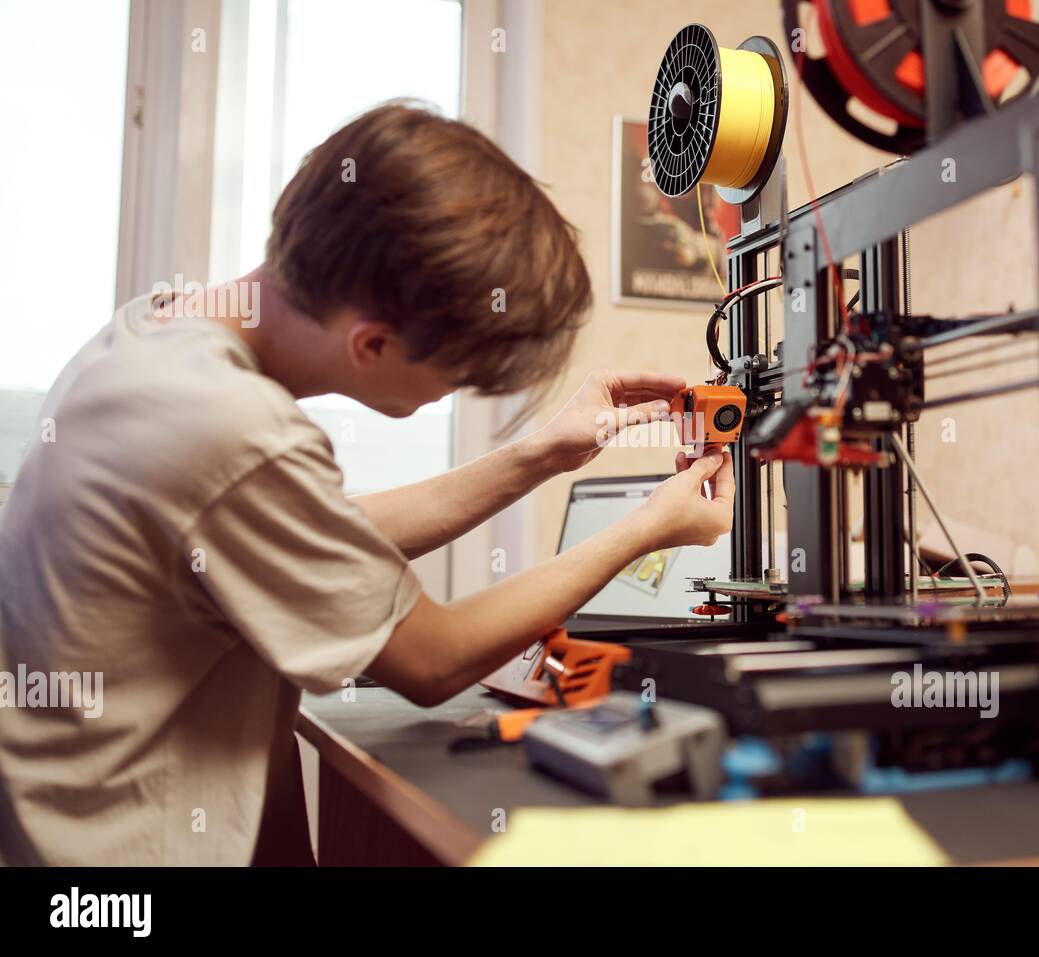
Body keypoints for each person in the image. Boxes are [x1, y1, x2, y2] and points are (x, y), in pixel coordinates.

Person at [0, 101, 734, 865]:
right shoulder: (232, 427)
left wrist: (541, 453)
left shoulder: (156, 330)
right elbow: (434, 658)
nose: (457, 390)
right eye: (459, 371)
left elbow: (310, 528)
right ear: (372, 342)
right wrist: (649, 526)